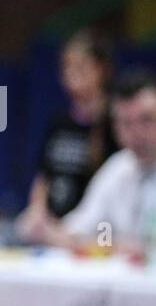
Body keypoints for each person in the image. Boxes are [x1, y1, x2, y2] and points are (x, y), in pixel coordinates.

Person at [18, 29, 117, 241]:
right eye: (66, 66)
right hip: (53, 222)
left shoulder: (114, 123)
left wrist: (71, 233)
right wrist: (37, 212)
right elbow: (43, 175)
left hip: (94, 226)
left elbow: (113, 191)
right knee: (21, 227)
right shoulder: (59, 122)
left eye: (81, 66)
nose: (71, 73)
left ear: (101, 70)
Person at [49, 69, 156, 257]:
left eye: (146, 120)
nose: (136, 133)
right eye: (126, 123)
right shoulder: (118, 168)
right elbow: (80, 230)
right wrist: (112, 245)